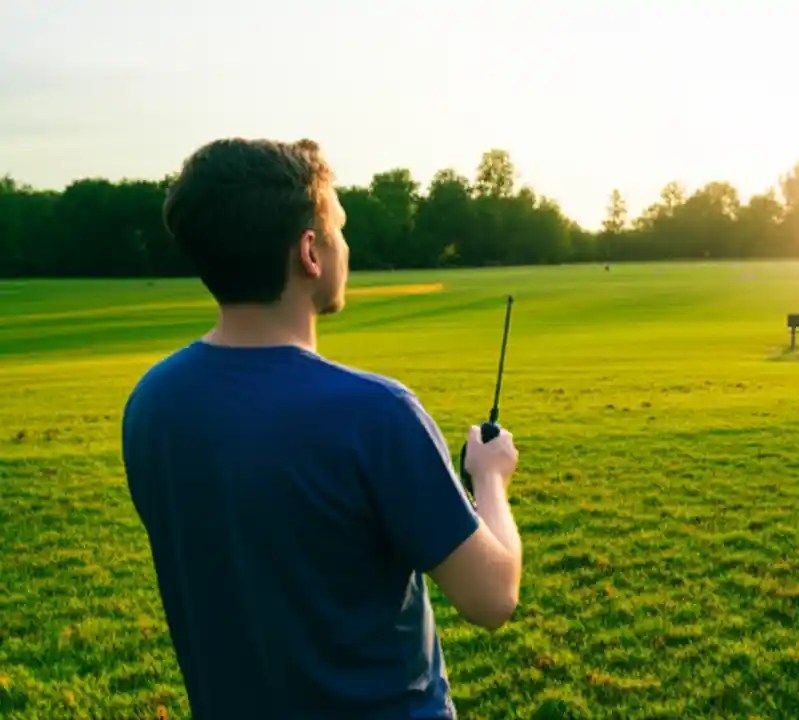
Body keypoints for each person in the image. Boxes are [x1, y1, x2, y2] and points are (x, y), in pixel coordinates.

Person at [121, 138, 522, 719]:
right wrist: (489, 479)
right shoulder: (374, 414)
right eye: (339, 228)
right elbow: (492, 597)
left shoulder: (152, 401)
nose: (346, 245)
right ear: (310, 252)